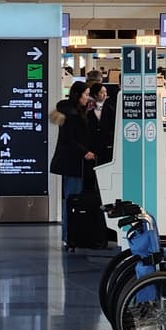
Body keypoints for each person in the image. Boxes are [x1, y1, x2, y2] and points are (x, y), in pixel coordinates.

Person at [49, 81, 97, 250]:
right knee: (72, 200)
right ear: (78, 95)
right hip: (73, 163)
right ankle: (69, 236)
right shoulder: (72, 115)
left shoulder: (74, 111)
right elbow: (69, 140)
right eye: (86, 94)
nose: (88, 97)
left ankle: (71, 235)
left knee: (72, 199)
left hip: (72, 163)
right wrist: (85, 152)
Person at [86, 81, 116, 166]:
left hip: (106, 145)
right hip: (91, 144)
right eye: (102, 92)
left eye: (105, 92)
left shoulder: (110, 109)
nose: (105, 94)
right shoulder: (88, 108)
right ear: (95, 94)